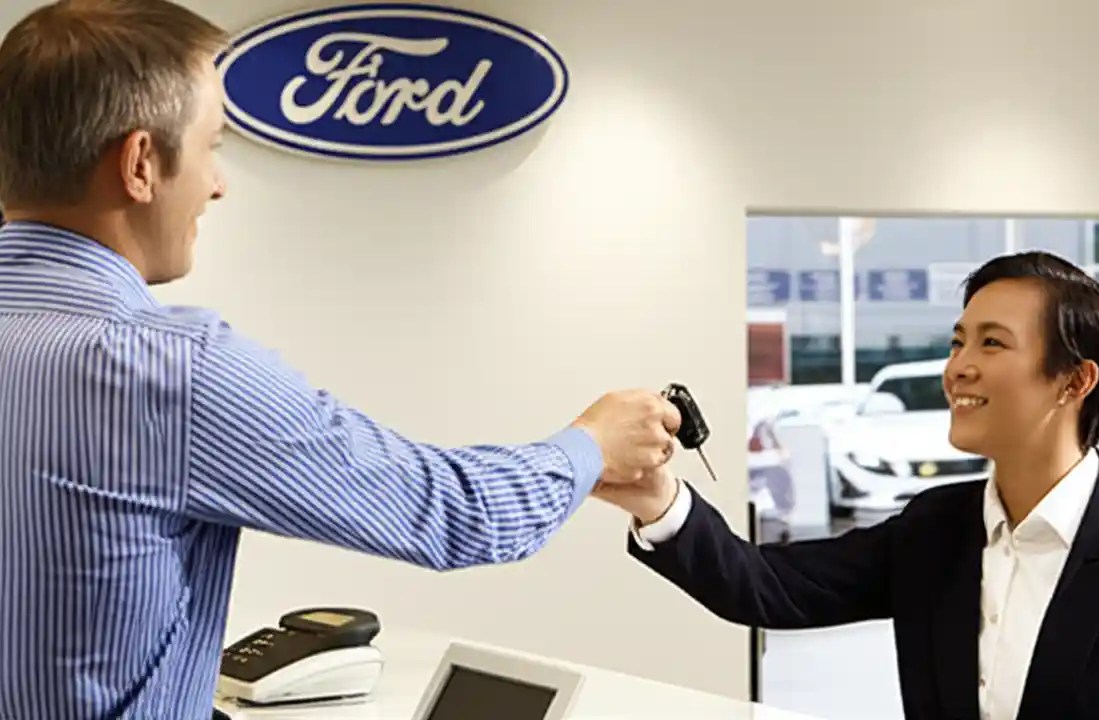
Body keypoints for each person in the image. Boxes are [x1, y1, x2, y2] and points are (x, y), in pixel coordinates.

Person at [0, 2, 681, 718]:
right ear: (141, 164)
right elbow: (453, 514)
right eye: (213, 146)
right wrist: (592, 446)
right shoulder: (169, 371)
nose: (218, 183)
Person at [597, 251, 1099, 719]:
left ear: (1075, 381)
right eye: (958, 342)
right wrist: (656, 499)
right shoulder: (933, 529)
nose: (958, 368)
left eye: (991, 343)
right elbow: (763, 585)